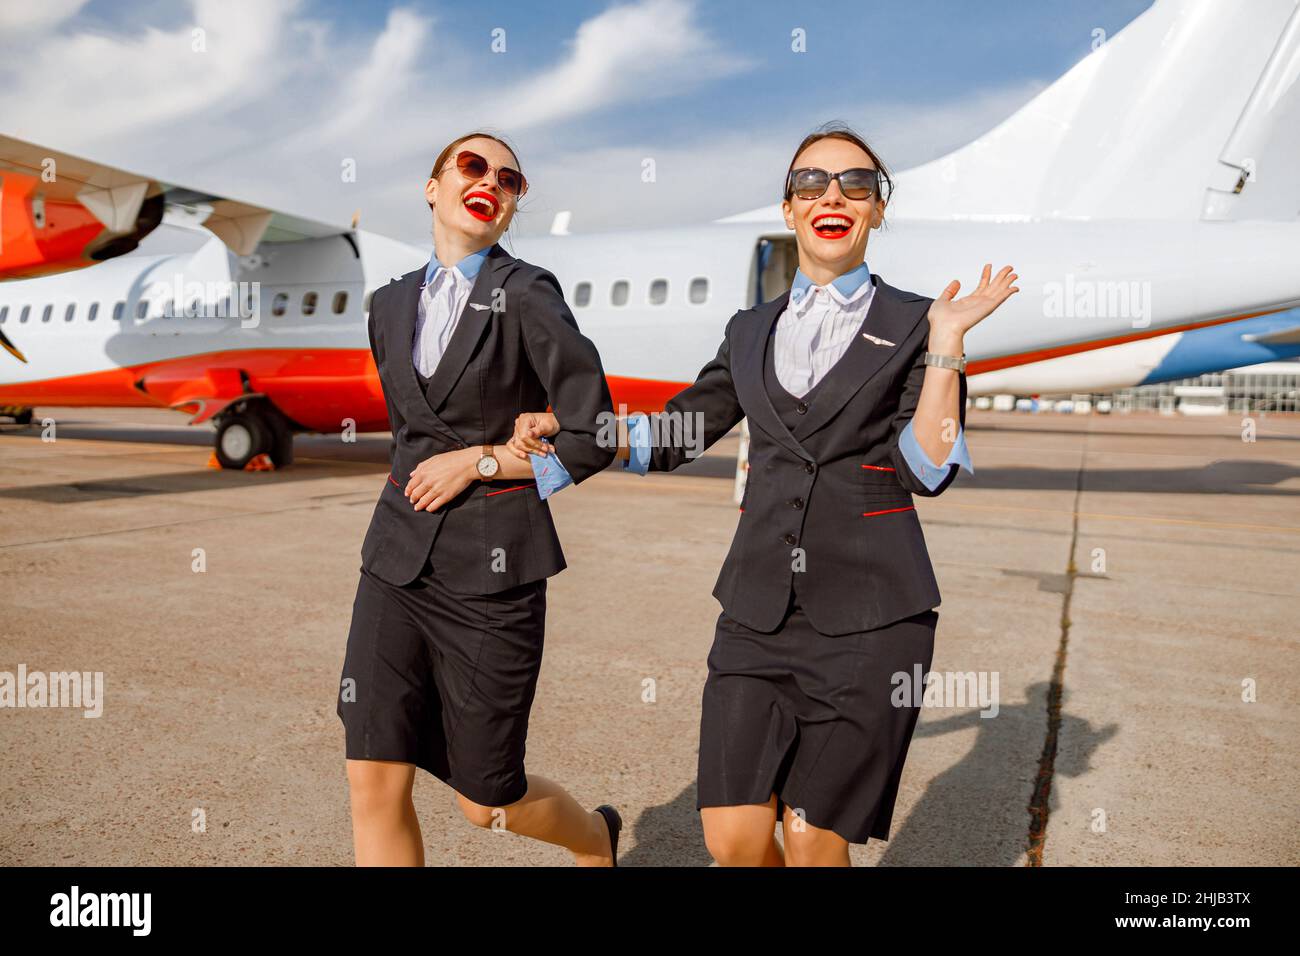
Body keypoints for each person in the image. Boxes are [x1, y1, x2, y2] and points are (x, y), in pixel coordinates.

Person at [510, 123, 1018, 866]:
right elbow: (685, 429)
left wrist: (946, 347)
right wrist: (574, 431)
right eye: (811, 182)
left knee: (813, 842)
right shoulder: (750, 330)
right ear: (788, 210)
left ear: (878, 210)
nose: (832, 195)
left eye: (857, 184)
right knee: (735, 839)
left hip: (873, 620)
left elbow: (927, 469)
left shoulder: (914, 322)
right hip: (755, 614)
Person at [337, 132, 622, 866]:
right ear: (432, 188)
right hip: (395, 563)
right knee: (372, 777)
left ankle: (594, 840)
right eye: (471, 165)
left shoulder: (527, 292)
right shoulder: (387, 305)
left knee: (485, 800)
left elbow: (595, 431)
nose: (491, 180)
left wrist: (482, 460)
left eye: (510, 178)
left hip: (494, 577)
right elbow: (413, 432)